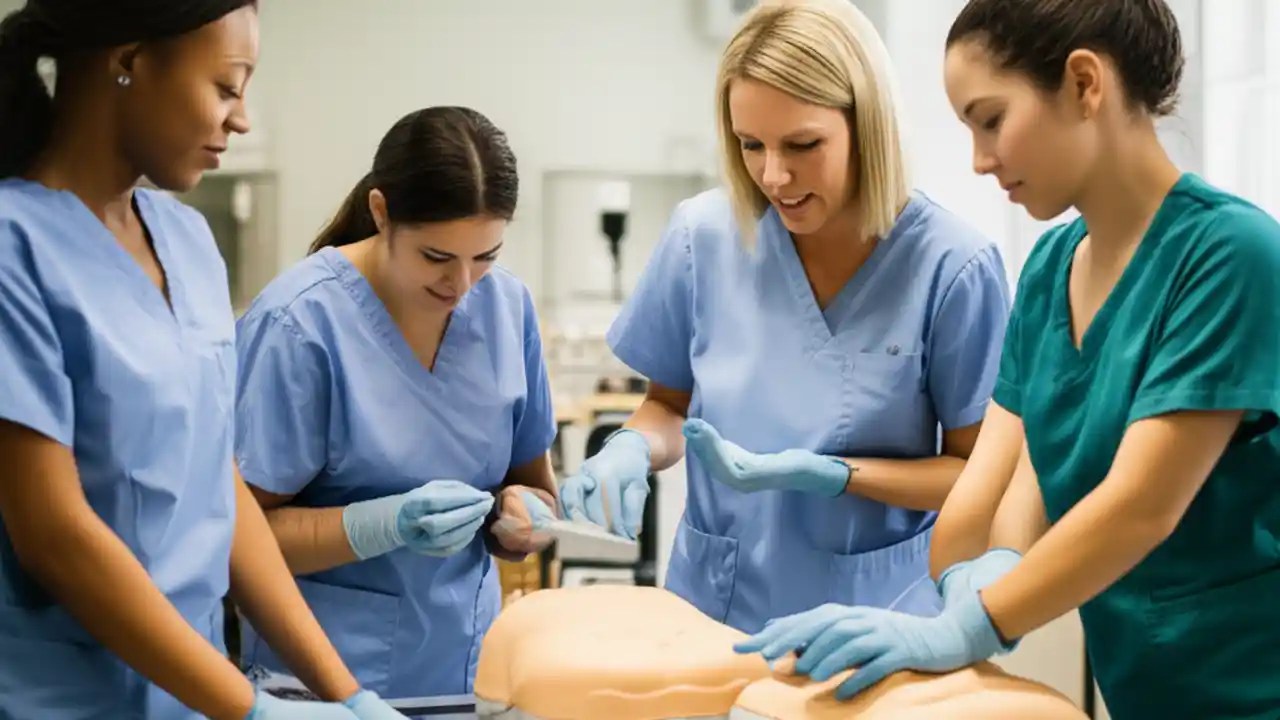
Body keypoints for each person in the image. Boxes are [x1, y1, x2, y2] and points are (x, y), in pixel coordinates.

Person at [733, 0, 1280, 717]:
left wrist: (975, 623)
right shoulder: (1054, 266)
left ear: (1086, 84)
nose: (979, 158)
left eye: (991, 120)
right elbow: (1000, 486)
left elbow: (1140, 506)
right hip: (1145, 690)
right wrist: (961, 582)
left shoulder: (1230, 255)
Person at [0, 2, 408, 719]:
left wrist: (345, 694)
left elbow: (221, 491)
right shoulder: (14, 246)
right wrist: (251, 711)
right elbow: (53, 534)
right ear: (128, 62)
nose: (241, 119)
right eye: (227, 86)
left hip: (195, 698)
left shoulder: (187, 243)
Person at [556, 0, 1011, 634]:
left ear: (867, 125)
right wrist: (629, 447)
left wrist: (839, 477)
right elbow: (667, 404)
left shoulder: (952, 266)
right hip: (714, 612)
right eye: (750, 145)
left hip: (874, 617)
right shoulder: (703, 238)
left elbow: (979, 477)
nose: (773, 174)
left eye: (803, 144)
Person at [233, 105, 560, 700]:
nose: (462, 285)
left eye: (485, 256)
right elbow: (236, 537)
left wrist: (524, 519)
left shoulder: (507, 308)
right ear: (381, 212)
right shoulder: (300, 324)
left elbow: (533, 485)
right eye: (437, 257)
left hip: (465, 674)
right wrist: (379, 525)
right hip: (319, 683)